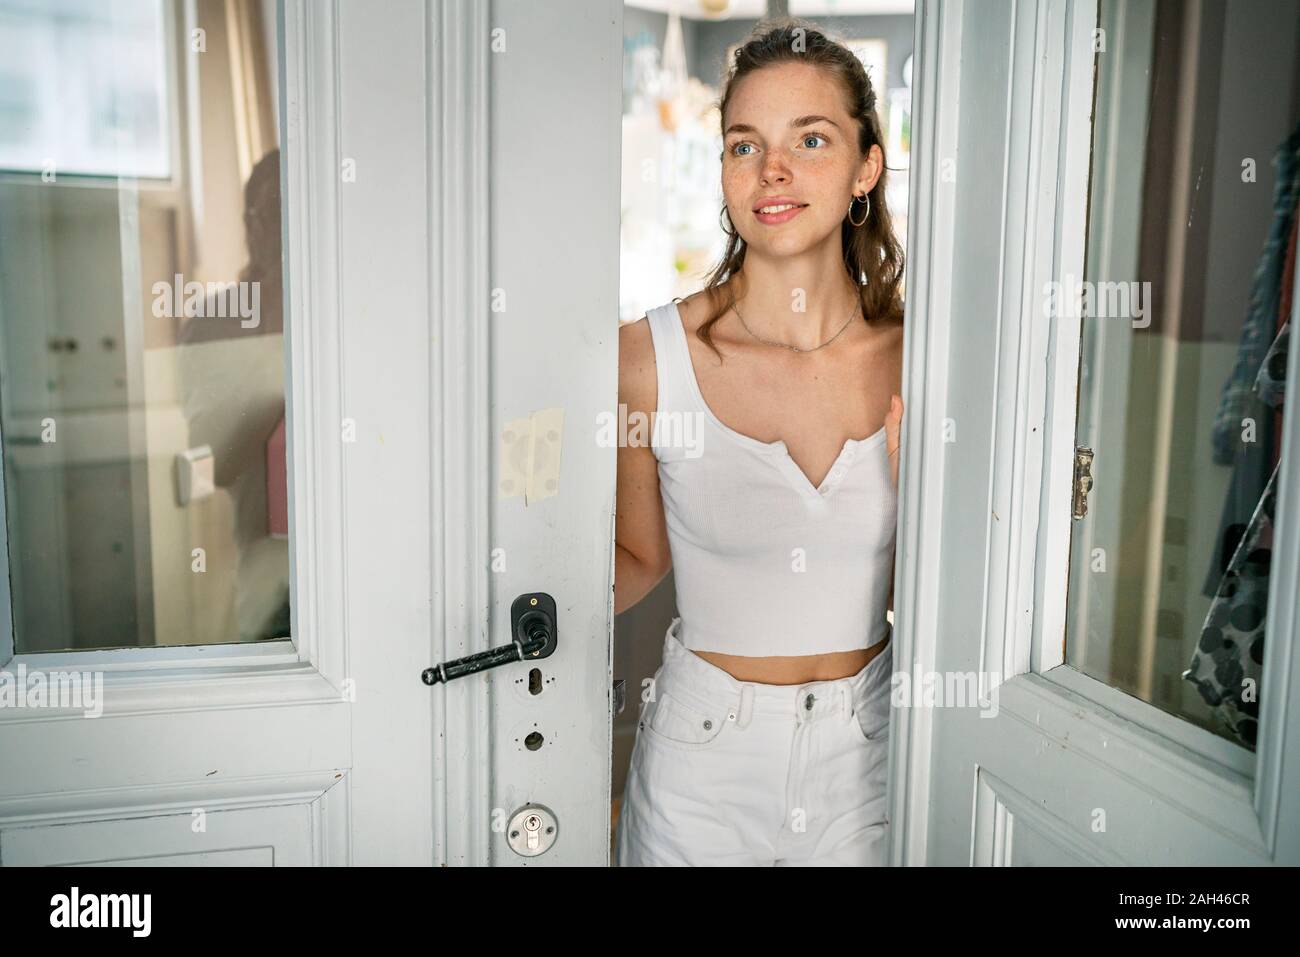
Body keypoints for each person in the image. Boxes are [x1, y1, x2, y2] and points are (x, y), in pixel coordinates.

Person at [614, 18, 905, 866]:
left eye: (810, 139)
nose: (772, 170)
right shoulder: (647, 358)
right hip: (703, 766)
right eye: (745, 146)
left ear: (865, 167)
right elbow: (635, 557)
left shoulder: (924, 361)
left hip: (871, 752)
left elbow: (960, 598)